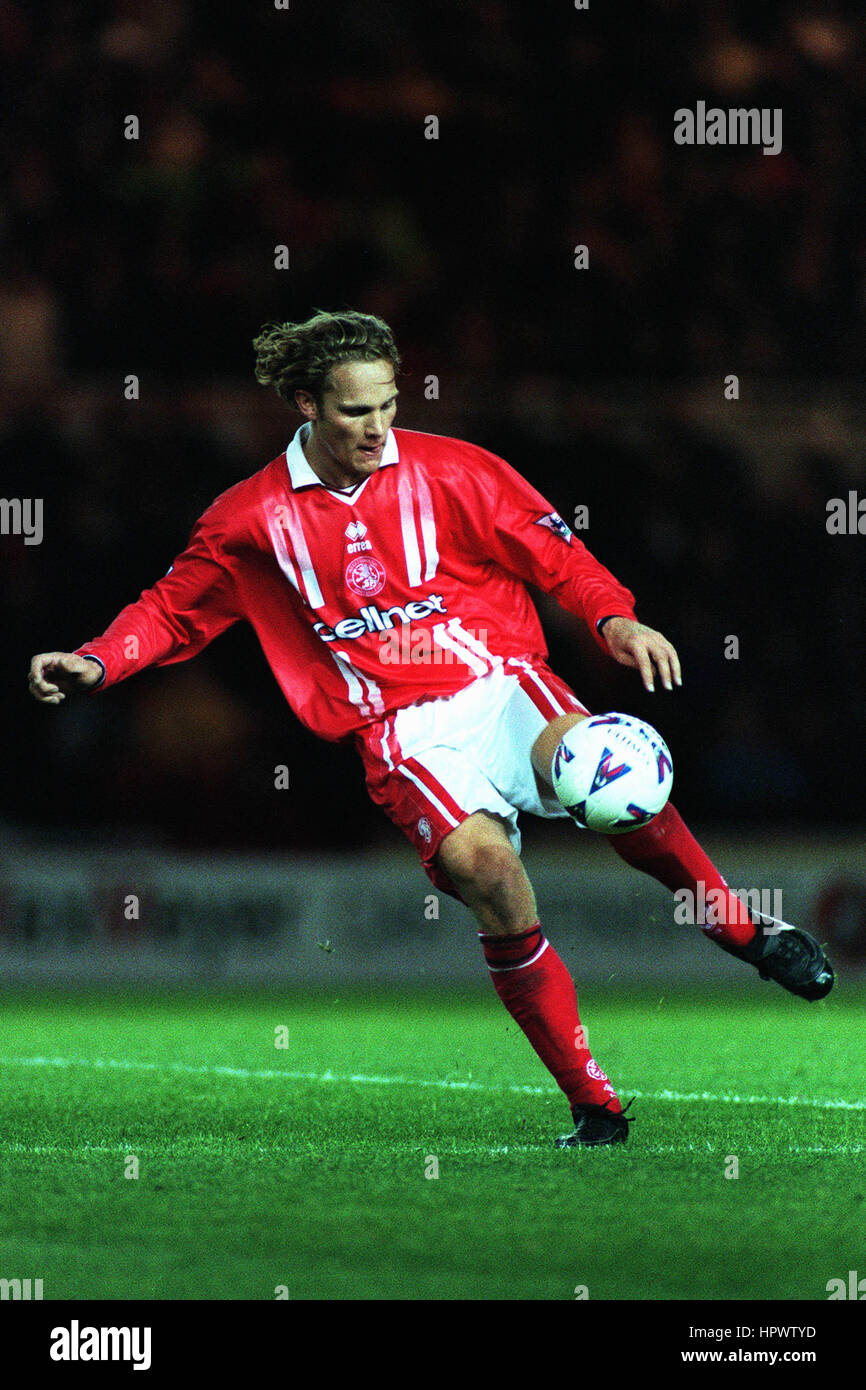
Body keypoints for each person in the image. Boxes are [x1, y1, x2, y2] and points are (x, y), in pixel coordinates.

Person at [28, 309, 834, 1147]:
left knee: (610, 774)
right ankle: (595, 1106)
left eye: (387, 405)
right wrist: (95, 660)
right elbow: (171, 610)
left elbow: (557, 554)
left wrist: (615, 622)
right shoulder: (250, 519)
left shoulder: (457, 471)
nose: (378, 427)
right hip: (401, 732)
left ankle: (744, 929)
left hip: (498, 681)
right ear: (306, 403)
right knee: (492, 876)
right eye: (354, 411)